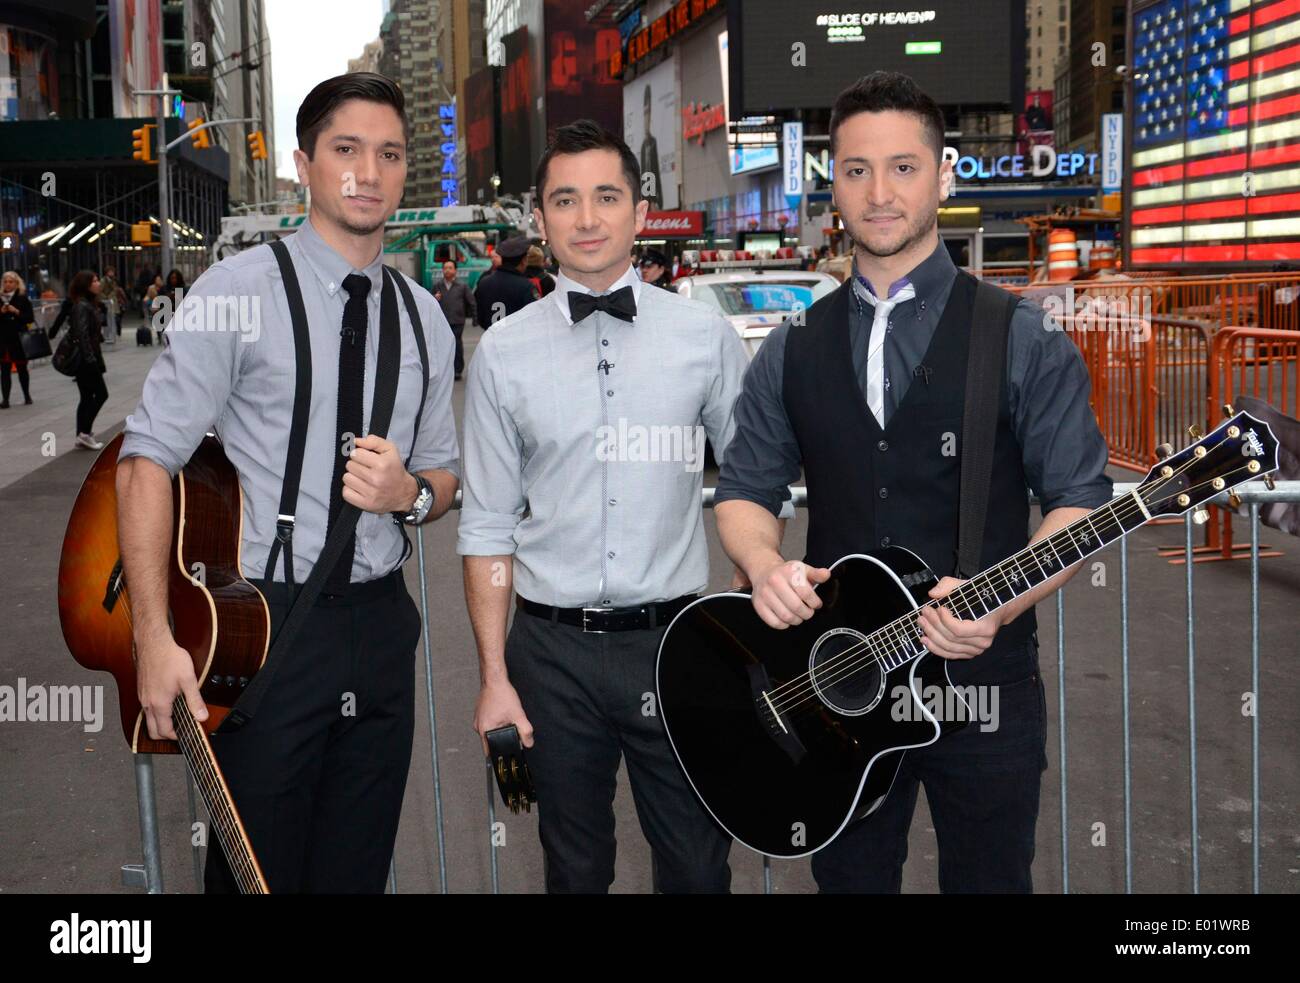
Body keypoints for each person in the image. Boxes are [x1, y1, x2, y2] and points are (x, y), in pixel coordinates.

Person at [713, 71, 1112, 894]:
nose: (879, 192)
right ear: (834, 183)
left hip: (983, 687)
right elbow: (746, 489)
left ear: (944, 175)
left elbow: (1079, 498)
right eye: (856, 170)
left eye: (903, 167)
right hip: (841, 684)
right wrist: (763, 565)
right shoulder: (793, 346)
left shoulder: (1022, 337)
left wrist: (997, 606)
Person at [116, 71, 461, 894]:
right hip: (261, 626)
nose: (368, 172)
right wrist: (152, 639)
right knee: (255, 875)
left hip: (380, 629)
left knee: (356, 870)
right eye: (346, 150)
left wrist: (407, 493)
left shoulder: (425, 317)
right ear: (303, 164)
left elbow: (445, 477)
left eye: (388, 153)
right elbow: (145, 460)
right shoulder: (234, 294)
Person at [459, 119, 751, 894]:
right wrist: (494, 674)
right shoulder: (502, 355)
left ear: (640, 211)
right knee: (575, 867)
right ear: (541, 219)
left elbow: (754, 480)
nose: (586, 218)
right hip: (550, 655)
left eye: (606, 197)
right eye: (565, 200)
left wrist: (758, 620)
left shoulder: (706, 337)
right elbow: (486, 524)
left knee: (696, 866)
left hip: (679, 641)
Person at [49, 270, 108, 449]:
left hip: (87, 357)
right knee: (101, 394)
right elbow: (81, 334)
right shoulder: (82, 306)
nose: (98, 283)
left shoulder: (87, 304)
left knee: (87, 397)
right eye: (95, 281)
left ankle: (81, 434)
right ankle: (84, 433)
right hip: (85, 359)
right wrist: (90, 360)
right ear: (86, 285)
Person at [472, 235, 538, 327]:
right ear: (523, 261)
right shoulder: (526, 286)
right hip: (517, 338)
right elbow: (533, 319)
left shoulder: (484, 282)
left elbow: (481, 317)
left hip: (491, 337)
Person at [432, 258, 476, 380]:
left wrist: (474, 318)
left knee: (456, 344)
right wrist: (434, 298)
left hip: (457, 320)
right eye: (445, 268)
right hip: (442, 321)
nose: (447, 270)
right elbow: (429, 302)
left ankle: (457, 370)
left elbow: (471, 302)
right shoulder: (438, 286)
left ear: (455, 271)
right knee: (442, 346)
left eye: (450, 268)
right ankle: (445, 370)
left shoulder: (462, 286)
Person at [0, 270, 35, 407]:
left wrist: (17, 312)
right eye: (5, 282)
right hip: (3, 339)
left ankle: (27, 396)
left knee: (22, 368)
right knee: (4, 370)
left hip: (19, 338)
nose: (8, 284)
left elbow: (29, 318)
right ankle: (5, 400)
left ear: (16, 283)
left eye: (11, 282)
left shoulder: (22, 298)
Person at [638, 84, 661, 210]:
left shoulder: (653, 143)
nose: (646, 118)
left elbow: (656, 170)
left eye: (648, 113)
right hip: (647, 196)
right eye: (645, 113)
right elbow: (644, 174)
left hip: (653, 197)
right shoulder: (643, 146)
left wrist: (657, 199)